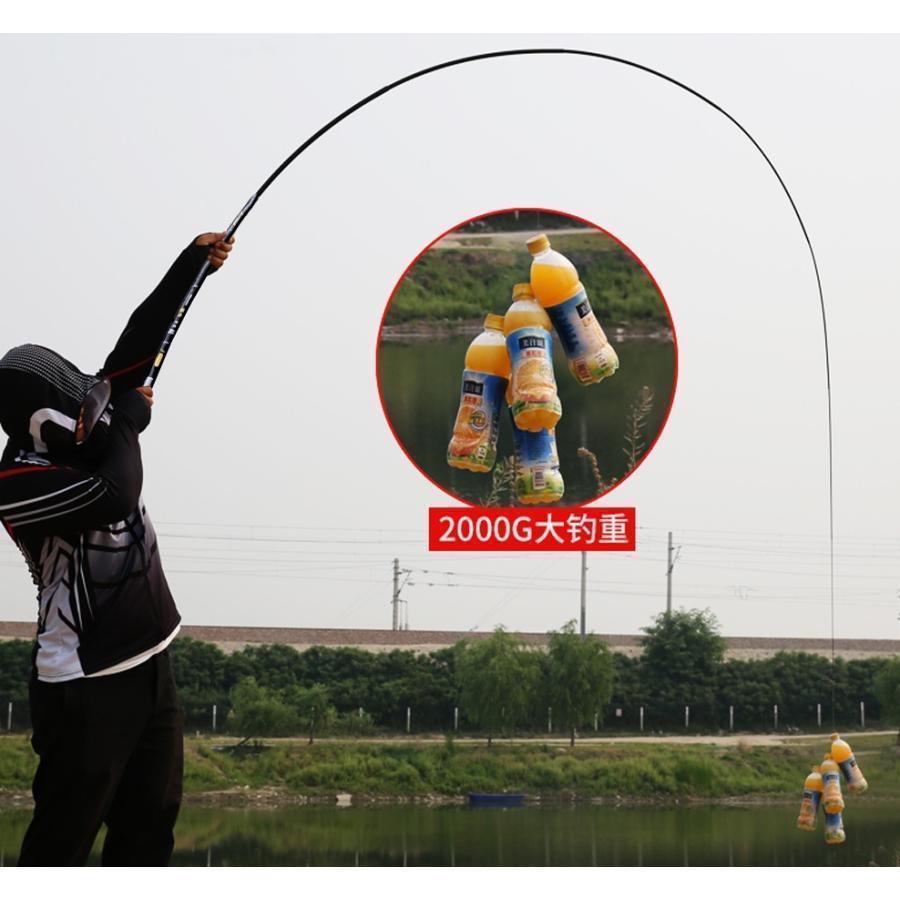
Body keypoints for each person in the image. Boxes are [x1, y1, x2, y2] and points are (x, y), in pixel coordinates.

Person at [0, 232, 234, 866]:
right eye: (77, 406)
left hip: (152, 660)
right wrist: (128, 420)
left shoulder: (94, 426)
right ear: (39, 423)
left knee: (149, 828)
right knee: (64, 838)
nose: (92, 409)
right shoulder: (17, 482)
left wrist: (192, 266)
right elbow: (114, 493)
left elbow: (137, 347)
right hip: (83, 681)